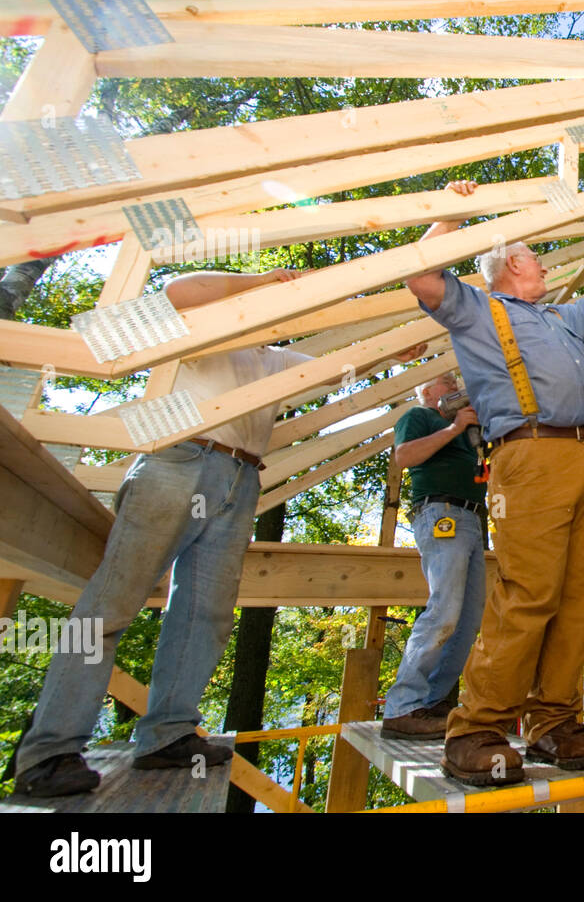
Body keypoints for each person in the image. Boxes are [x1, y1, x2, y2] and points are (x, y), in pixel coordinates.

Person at [14, 269, 424, 797]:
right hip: (177, 460)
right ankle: (50, 751)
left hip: (240, 478)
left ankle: (167, 733)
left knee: (203, 613)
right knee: (112, 603)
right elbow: (177, 291)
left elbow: (336, 371)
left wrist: (394, 352)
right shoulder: (202, 332)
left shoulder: (273, 361)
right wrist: (269, 278)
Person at [405, 178, 584, 786]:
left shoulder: (560, 318)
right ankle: (479, 726)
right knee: (530, 589)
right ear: (514, 262)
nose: (542, 264)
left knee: (583, 591)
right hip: (530, 456)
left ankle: (552, 720)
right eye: (536, 257)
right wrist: (452, 213)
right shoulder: (478, 310)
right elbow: (420, 278)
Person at [379, 372, 486, 740]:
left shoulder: (467, 429)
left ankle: (433, 703)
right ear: (427, 391)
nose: (457, 383)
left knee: (468, 618)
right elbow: (405, 456)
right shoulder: (419, 417)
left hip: (472, 518)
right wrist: (456, 427)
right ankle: (402, 707)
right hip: (441, 514)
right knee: (443, 610)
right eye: (447, 380)